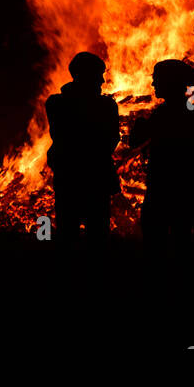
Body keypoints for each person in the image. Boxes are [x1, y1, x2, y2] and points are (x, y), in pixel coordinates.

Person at [44, 52, 120, 245]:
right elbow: (111, 139)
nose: (102, 80)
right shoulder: (105, 106)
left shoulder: (56, 103)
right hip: (94, 177)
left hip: (68, 177)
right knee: (97, 234)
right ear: (83, 75)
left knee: (69, 232)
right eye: (98, 75)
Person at [130, 59, 194, 254]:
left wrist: (141, 124)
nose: (153, 84)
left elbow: (135, 140)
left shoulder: (166, 113)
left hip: (163, 187)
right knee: (181, 237)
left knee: (156, 238)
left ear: (170, 82)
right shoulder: (192, 110)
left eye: (156, 79)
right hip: (184, 188)